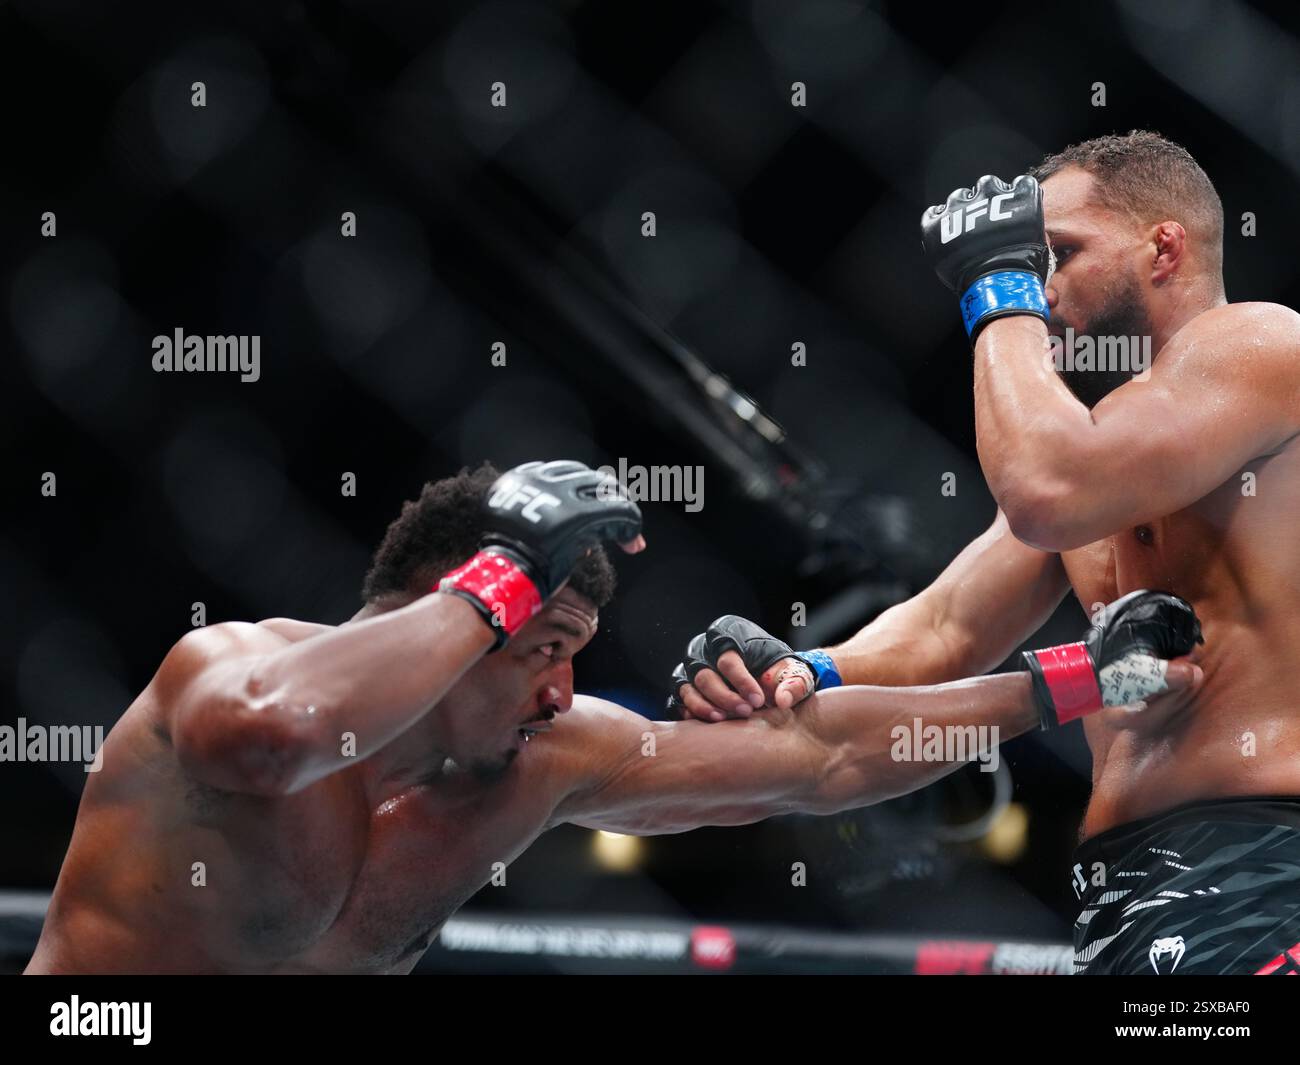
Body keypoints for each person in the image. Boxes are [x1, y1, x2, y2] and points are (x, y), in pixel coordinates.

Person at [24, 460, 1196, 974]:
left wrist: (1079, 680)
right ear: (457, 614)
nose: (560, 693)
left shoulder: (537, 763)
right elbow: (278, 737)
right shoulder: (226, 668)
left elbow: (815, 763)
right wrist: (499, 582)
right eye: (543, 652)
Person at [675, 131, 1300, 975]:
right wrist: (798, 670)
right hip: (1129, 887)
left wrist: (995, 288)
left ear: (1164, 246)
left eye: (1060, 254)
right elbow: (943, 627)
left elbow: (1046, 491)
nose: (1041, 287)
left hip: (1269, 868)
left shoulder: (1261, 343)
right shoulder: (1103, 446)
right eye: (1030, 264)